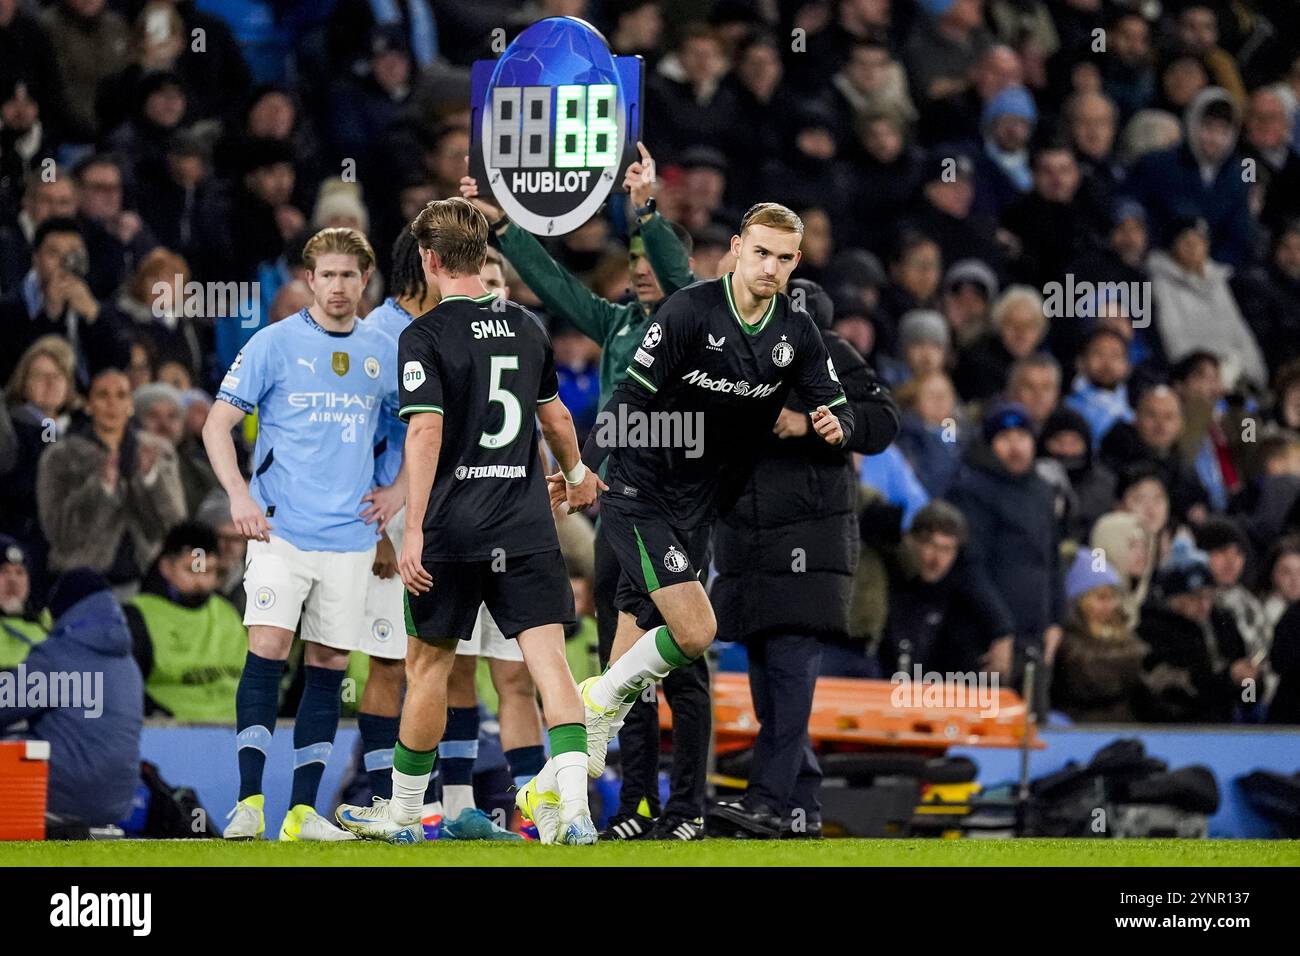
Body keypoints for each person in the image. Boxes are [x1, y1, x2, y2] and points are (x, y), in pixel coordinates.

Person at [575, 202, 864, 823]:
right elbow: (629, 392)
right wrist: (586, 467)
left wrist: (832, 425)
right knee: (696, 632)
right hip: (642, 486)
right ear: (736, 247)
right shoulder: (690, 311)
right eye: (760, 253)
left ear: (796, 262)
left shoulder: (798, 334)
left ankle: (568, 767)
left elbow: (837, 402)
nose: (771, 267)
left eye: (785, 258)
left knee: (629, 634)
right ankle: (608, 728)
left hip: (703, 503)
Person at [461, 146, 715, 842]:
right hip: (620, 510)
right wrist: (504, 231)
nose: (637, 272)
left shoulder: (697, 325)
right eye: (630, 262)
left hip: (682, 509)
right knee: (621, 663)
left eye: (647, 263)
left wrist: (646, 207)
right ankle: (632, 803)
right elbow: (561, 287)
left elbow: (674, 272)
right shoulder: (619, 326)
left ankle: (686, 806)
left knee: (684, 661)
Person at [333, 198, 602, 846]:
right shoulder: (528, 327)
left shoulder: (421, 335)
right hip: (525, 526)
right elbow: (557, 419)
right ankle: (572, 811)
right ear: (482, 258)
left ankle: (401, 814)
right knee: (550, 670)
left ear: (428, 260)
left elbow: (424, 431)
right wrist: (576, 473)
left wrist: (415, 528)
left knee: (427, 667)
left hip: (454, 528)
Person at [202, 227, 403, 842]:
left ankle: (302, 814)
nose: (338, 286)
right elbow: (217, 426)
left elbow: (411, 428)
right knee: (266, 649)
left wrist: (395, 492)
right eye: (328, 275)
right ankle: (249, 804)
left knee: (328, 664)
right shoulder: (274, 344)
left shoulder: (384, 351)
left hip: (349, 537)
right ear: (309, 279)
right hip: (279, 529)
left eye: (350, 275)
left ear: (364, 281)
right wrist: (239, 497)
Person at [707, 278, 898, 839]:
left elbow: (882, 421)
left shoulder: (833, 355)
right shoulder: (735, 365)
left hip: (808, 549)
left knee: (788, 685)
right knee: (772, 691)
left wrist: (809, 422)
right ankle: (803, 808)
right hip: (749, 546)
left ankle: (766, 802)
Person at [0, 568, 142, 828]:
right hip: (115, 805)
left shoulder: (58, 656)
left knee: (12, 747)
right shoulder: (128, 663)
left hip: (58, 798)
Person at [36, 367, 186, 594]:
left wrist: (149, 479)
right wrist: (102, 488)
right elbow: (59, 532)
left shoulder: (156, 451)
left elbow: (174, 525)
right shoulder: (60, 457)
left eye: (121, 395)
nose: (112, 404)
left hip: (146, 582)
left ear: (131, 405)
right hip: (82, 582)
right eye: (103, 395)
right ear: (88, 404)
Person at [947, 401, 1063, 686]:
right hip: (986, 641)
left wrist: (1056, 622)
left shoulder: (1042, 491)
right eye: (1005, 439)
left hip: (1034, 640)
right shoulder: (969, 491)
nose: (1016, 447)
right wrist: (1000, 630)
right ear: (988, 444)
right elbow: (970, 566)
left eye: (1023, 438)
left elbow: (1053, 560)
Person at [124, 521, 245, 722]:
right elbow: (124, 685)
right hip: (172, 734)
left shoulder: (228, 612)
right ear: (166, 567)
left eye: (208, 572)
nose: (200, 582)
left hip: (239, 732)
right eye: (191, 570)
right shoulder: (137, 616)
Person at [1137, 540, 1256, 723]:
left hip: (1228, 727)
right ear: (1172, 599)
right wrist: (1228, 678)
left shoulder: (1222, 622)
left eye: (1208, 596)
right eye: (1193, 598)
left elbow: (1247, 691)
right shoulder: (1153, 628)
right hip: (1177, 728)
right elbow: (1177, 690)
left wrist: (1250, 684)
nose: (1203, 605)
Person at [1050, 548, 1149, 723]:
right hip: (1080, 729)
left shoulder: (1123, 634)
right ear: (1080, 601)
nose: (1109, 605)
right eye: (1101, 598)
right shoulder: (1065, 639)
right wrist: (1133, 661)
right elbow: (1091, 678)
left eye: (1113, 597)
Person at [0, 536, 45, 668]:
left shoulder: (45, 618)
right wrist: (14, 619)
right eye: (4, 571)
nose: (13, 580)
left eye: (20, 572)